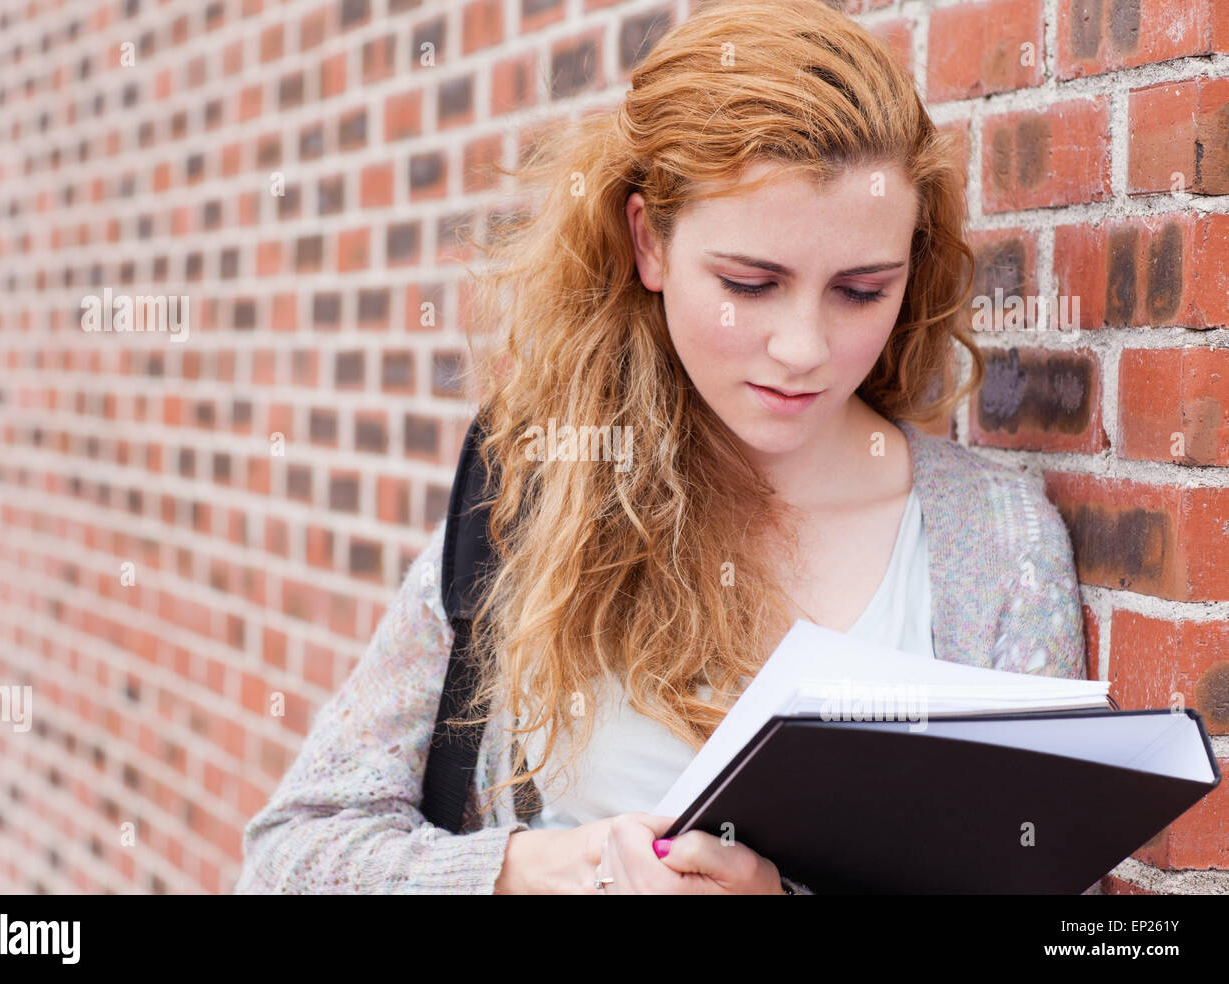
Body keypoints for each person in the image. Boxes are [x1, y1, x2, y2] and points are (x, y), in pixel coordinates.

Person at [233, 0, 1087, 895]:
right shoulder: (536, 494)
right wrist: (527, 868)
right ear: (648, 242)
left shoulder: (997, 544)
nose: (803, 348)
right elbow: (290, 857)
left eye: (860, 291)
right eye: (750, 285)